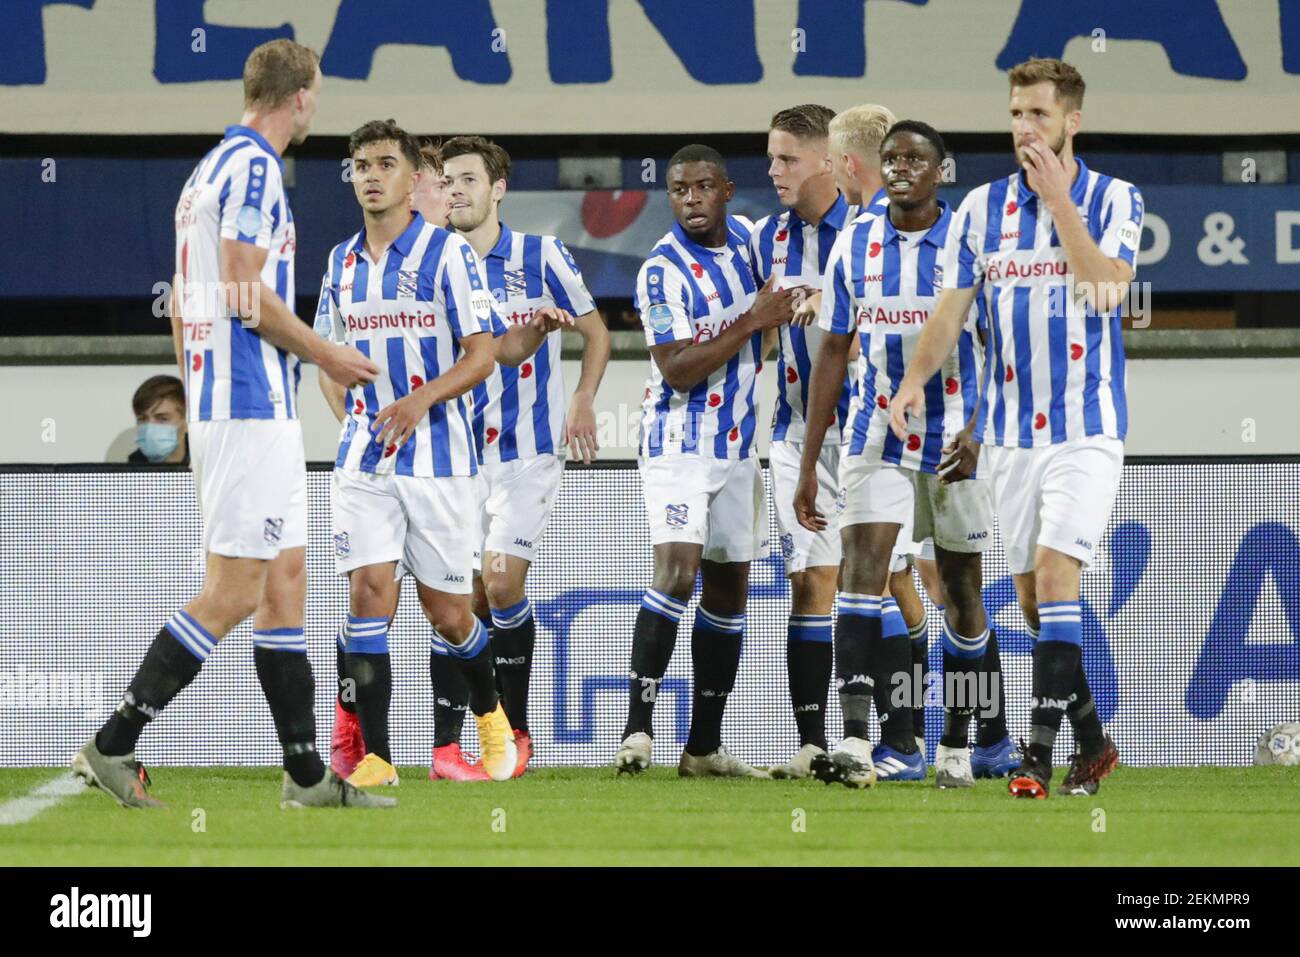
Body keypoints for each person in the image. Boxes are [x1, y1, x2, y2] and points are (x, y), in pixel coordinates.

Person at [73, 39, 390, 810]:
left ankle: (307, 775)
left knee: (284, 584)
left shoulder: (206, 171)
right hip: (249, 403)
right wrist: (328, 354)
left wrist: (198, 397)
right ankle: (112, 744)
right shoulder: (252, 168)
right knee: (234, 591)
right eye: (316, 94)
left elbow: (188, 302)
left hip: (239, 403)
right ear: (302, 97)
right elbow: (247, 291)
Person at [890, 58, 1141, 798]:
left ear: (1072, 121)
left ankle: (1036, 755)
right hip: (1008, 435)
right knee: (1035, 599)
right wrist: (913, 380)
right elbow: (949, 313)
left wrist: (1061, 201)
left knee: (1058, 579)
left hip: (1085, 428)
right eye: (1016, 114)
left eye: (1038, 114)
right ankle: (1094, 742)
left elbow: (1104, 290)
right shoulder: (978, 210)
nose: (1025, 128)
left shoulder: (1114, 197)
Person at [315, 120, 568, 786]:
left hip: (441, 459)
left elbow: (483, 355)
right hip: (365, 463)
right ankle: (375, 758)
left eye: (384, 163)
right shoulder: (340, 262)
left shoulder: (447, 254)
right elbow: (329, 358)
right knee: (369, 598)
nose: (371, 175)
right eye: (361, 164)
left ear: (409, 178)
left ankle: (490, 717)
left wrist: (419, 401)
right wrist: (356, 418)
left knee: (450, 614)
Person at [799, 121, 1016, 788]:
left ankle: (957, 743)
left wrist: (980, 432)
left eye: (914, 159)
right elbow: (834, 347)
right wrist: (812, 459)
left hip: (954, 439)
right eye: (891, 158)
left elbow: (1005, 348)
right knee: (861, 575)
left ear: (940, 171)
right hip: (875, 434)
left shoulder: (969, 243)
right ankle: (861, 743)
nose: (900, 169)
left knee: (960, 592)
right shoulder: (857, 241)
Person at [419, 134, 610, 780]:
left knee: (500, 581)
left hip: (527, 452)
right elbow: (492, 349)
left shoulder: (540, 254)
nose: (457, 191)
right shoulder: (432, 261)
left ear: (498, 188)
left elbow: (597, 331)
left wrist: (583, 397)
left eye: (469, 179)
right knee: (461, 597)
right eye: (447, 181)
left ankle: (517, 729)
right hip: (457, 455)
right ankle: (454, 744)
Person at [615, 145, 795, 778]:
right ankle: (637, 732)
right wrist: (754, 320)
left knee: (727, 588)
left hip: (739, 446)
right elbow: (678, 370)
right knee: (677, 572)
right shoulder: (661, 271)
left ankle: (703, 748)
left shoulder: (750, 242)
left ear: (725, 190)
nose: (690, 200)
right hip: (678, 442)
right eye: (677, 190)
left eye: (701, 187)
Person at [747, 104, 869, 779]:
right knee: (810, 579)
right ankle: (816, 743)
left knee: (911, 581)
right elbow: (746, 320)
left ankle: (923, 737)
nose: (774, 170)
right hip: (797, 431)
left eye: (788, 157)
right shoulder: (767, 237)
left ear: (827, 159)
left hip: (873, 432)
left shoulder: (871, 230)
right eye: (772, 157)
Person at [128, 375, 190, 465]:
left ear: (187, 422)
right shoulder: (128, 474)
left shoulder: (208, 469)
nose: (150, 428)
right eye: (143, 419)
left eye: (162, 419)